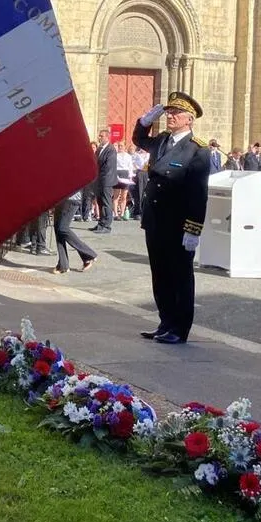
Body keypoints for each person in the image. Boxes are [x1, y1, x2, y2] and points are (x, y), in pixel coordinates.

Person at [132, 91, 210, 345]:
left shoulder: (197, 149)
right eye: (169, 112)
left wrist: (193, 229)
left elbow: (198, 193)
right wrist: (145, 121)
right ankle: (165, 322)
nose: (170, 116)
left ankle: (180, 328)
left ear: (189, 119)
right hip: (155, 219)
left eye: (176, 112)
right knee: (160, 274)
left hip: (178, 223)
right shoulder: (162, 140)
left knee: (180, 276)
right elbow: (139, 139)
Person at [51, 189, 97, 274]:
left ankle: (88, 254)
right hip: (61, 198)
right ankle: (63, 265)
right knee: (58, 229)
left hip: (71, 198)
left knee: (62, 228)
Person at [90, 130, 118, 233]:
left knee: (106, 202)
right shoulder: (99, 149)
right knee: (100, 202)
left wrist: (100, 177)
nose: (99, 138)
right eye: (99, 136)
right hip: (99, 180)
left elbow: (108, 167)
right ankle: (101, 223)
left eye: (101, 136)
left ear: (107, 137)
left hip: (106, 180)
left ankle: (107, 226)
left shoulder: (111, 150)